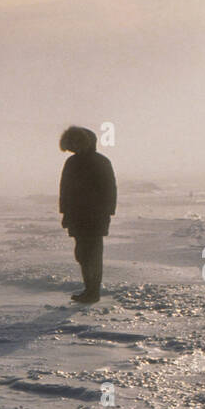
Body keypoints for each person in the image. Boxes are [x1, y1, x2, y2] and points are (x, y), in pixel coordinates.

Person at [58, 126, 117, 303]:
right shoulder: (71, 162)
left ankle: (93, 291)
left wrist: (107, 213)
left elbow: (110, 190)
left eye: (76, 142)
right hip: (78, 215)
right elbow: (65, 191)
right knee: (82, 253)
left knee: (92, 253)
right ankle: (90, 289)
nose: (73, 146)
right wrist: (65, 213)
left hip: (95, 216)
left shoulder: (101, 161)